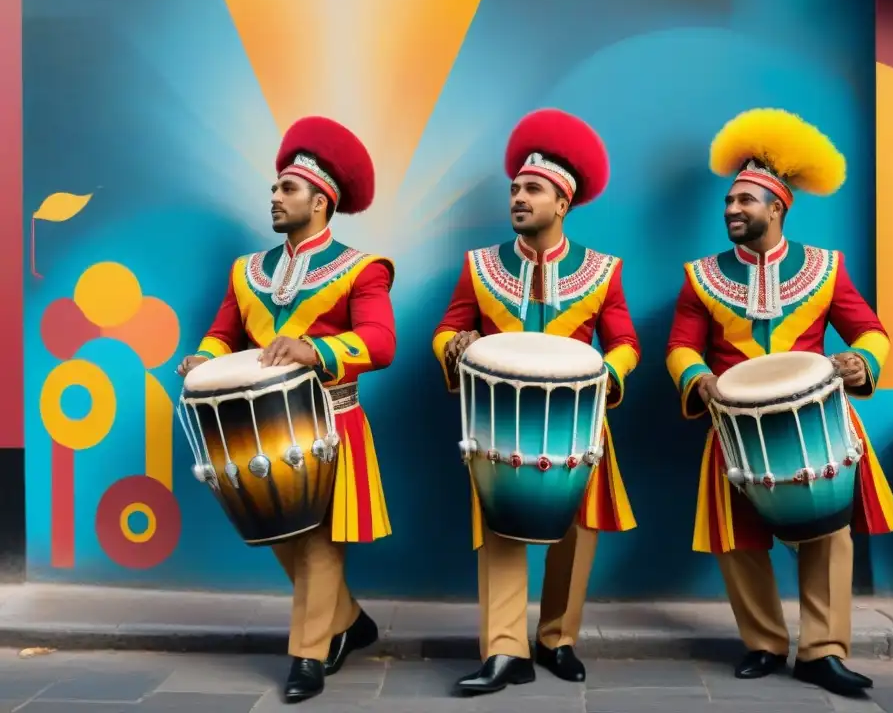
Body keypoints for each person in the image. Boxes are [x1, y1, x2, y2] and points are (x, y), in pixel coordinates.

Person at [665, 108, 893, 698]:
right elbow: (679, 346)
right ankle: (764, 643)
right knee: (737, 539)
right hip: (732, 429)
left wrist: (862, 362)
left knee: (829, 537)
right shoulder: (700, 277)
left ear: (777, 208)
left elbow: (872, 331)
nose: (731, 211)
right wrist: (699, 381)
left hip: (819, 425)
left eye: (744, 202)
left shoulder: (827, 269)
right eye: (728, 203)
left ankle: (822, 652)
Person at [175, 116, 396, 704]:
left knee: (321, 542)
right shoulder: (246, 272)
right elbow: (223, 335)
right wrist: (203, 359)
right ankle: (349, 621)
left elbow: (381, 343)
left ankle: (307, 656)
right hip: (255, 429)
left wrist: (316, 350)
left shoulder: (363, 268)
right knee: (282, 538)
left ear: (321, 200)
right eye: (274, 187)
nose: (274, 196)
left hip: (331, 420)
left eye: (288, 189)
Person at [432, 109, 640, 697]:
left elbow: (625, 345)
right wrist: (458, 345)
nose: (518, 199)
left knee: (577, 531)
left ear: (562, 202)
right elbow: (446, 330)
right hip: (498, 424)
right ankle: (504, 650)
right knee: (498, 532)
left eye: (532, 190)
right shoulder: (479, 266)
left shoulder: (604, 272)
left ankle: (557, 638)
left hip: (581, 422)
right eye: (515, 189)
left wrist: (605, 374)